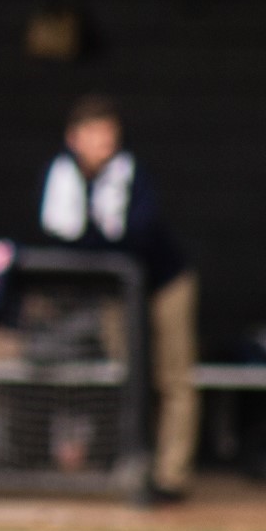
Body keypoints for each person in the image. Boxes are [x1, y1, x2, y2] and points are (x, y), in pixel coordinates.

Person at [38, 94, 198, 501]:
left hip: (165, 286)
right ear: (75, 138)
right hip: (117, 294)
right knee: (127, 377)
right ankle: (129, 464)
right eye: (94, 133)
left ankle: (169, 477)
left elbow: (133, 237)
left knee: (172, 379)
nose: (103, 142)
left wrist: (94, 245)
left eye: (109, 134)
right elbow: (59, 238)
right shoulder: (61, 176)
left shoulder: (133, 174)